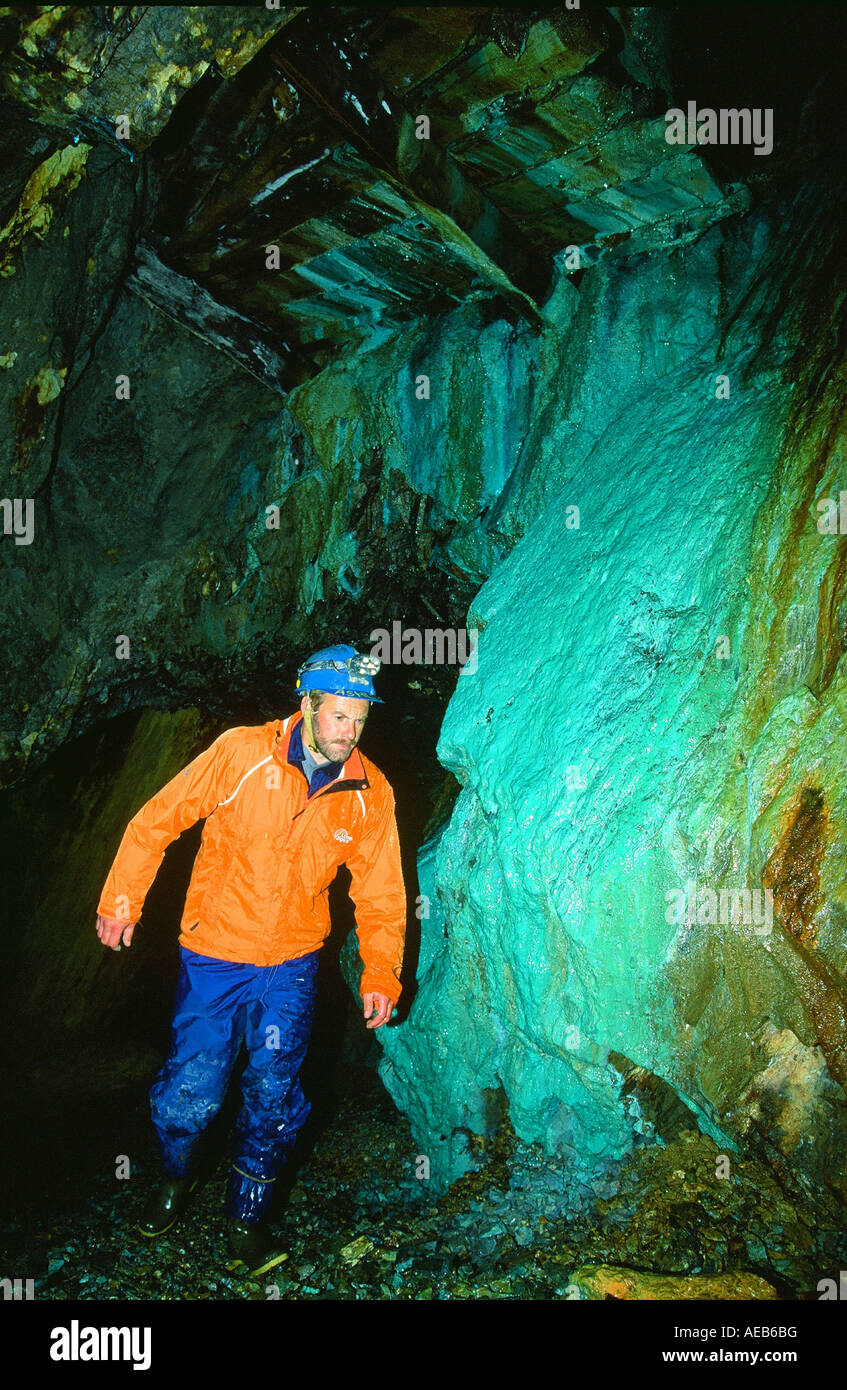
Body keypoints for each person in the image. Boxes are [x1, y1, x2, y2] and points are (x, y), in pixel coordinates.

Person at [95, 643, 406, 1274]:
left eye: (361, 718)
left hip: (291, 966)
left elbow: (383, 894)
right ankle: (175, 1178)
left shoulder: (370, 792)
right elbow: (157, 820)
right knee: (193, 1091)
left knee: (274, 1093)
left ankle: (248, 1219)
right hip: (214, 956)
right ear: (308, 703)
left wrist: (381, 971)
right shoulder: (242, 752)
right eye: (340, 716)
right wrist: (122, 898)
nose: (351, 731)